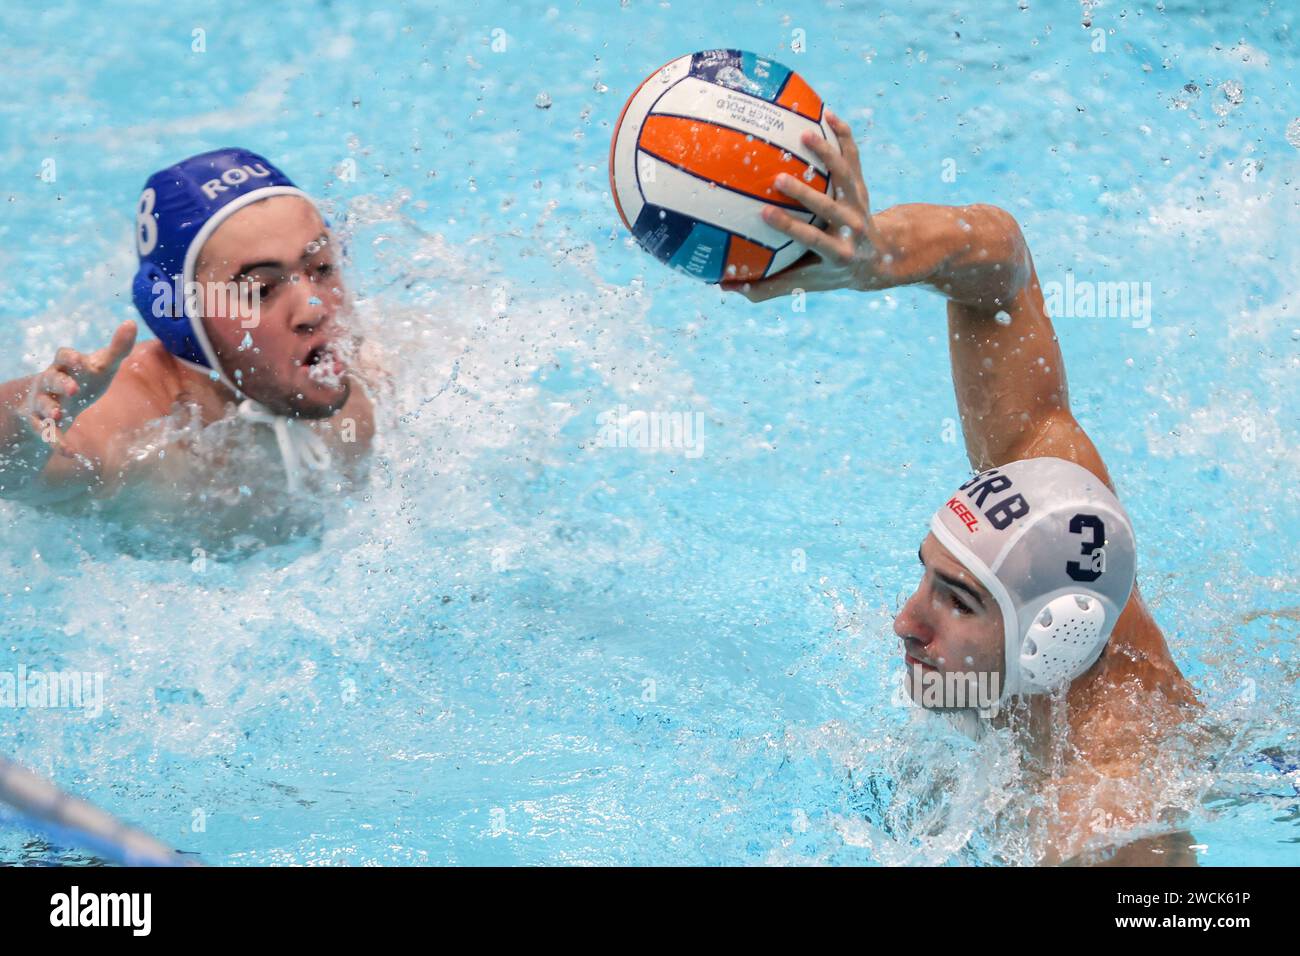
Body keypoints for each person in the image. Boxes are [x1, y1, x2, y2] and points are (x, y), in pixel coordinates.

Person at [723, 111, 1202, 865]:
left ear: (1055, 637)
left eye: (958, 599)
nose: (904, 622)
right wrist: (876, 257)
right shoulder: (1049, 488)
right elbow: (1000, 267)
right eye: (929, 576)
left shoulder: (1107, 815)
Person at [0, 148, 375, 547]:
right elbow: (17, 473)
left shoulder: (373, 376)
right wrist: (25, 416)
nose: (314, 309)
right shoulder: (146, 430)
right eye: (262, 289)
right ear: (180, 316)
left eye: (322, 268)